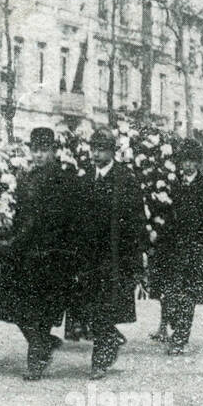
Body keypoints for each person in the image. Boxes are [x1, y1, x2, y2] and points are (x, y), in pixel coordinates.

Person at [0, 127, 78, 379]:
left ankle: (36, 360)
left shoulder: (64, 179)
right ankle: (42, 344)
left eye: (44, 150)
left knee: (39, 311)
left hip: (52, 254)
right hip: (26, 252)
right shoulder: (26, 177)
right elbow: (21, 216)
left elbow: (56, 219)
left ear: (54, 151)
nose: (39, 155)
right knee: (13, 302)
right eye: (35, 150)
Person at [76, 127, 142, 379]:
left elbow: (137, 221)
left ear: (112, 151)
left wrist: (135, 259)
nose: (95, 154)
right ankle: (110, 340)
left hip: (115, 256)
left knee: (105, 307)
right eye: (93, 148)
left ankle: (100, 360)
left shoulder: (126, 179)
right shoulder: (85, 179)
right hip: (88, 257)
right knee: (89, 308)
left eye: (101, 149)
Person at [154, 138, 203, 356]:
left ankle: (181, 336)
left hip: (195, 249)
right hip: (173, 249)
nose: (188, 165)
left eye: (192, 161)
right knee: (171, 294)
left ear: (198, 163)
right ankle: (175, 326)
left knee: (188, 296)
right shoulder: (171, 186)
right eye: (185, 161)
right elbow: (163, 216)